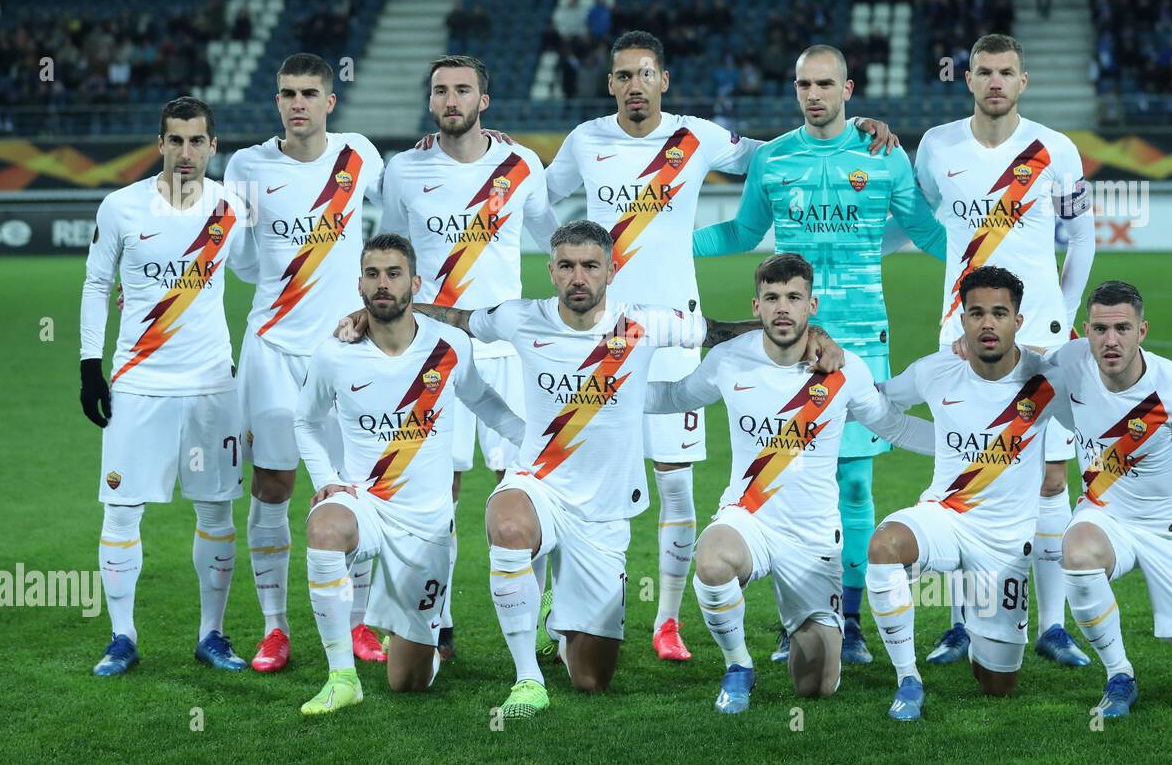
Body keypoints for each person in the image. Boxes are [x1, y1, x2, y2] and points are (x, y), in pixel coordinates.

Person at [349, 221, 843, 718]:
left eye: (590, 265)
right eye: (566, 266)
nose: (578, 277)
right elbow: (457, 318)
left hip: (604, 513)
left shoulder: (644, 322)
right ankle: (527, 678)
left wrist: (812, 334)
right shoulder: (521, 318)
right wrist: (371, 314)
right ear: (551, 271)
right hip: (538, 485)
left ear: (612, 269)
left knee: (591, 678)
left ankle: (559, 620)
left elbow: (715, 331)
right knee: (508, 523)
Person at [541, 30, 898, 661]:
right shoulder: (585, 140)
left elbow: (777, 153)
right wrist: (565, 249)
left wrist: (857, 130)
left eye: (644, 74)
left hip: (677, 335)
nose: (634, 85)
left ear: (664, 80)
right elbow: (534, 199)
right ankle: (564, 609)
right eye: (622, 75)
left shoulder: (698, 136)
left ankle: (667, 621)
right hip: (602, 335)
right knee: (577, 477)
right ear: (610, 84)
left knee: (677, 486)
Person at [693, 44, 946, 666]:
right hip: (788, 339)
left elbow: (928, 232)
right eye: (804, 84)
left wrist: (1004, 259)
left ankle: (848, 620)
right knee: (784, 479)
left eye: (825, 84)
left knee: (854, 485)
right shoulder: (774, 158)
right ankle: (797, 616)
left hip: (862, 340)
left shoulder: (883, 155)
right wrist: (665, 242)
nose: (813, 94)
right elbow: (742, 233)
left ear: (848, 90)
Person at [646, 253, 935, 712]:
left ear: (811, 306)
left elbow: (894, 426)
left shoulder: (846, 371)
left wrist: (967, 445)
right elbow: (676, 396)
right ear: (756, 306)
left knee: (815, 686)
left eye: (794, 297)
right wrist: (610, 388)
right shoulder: (728, 360)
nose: (783, 307)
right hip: (749, 518)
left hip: (814, 536)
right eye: (772, 297)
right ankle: (738, 667)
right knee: (713, 561)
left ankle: (810, 627)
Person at [913, 32, 1095, 667]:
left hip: (1041, 340)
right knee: (965, 475)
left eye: (1006, 72)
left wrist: (1060, 318)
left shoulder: (1057, 149)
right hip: (961, 339)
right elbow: (922, 217)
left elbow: (1082, 237)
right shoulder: (936, 146)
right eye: (984, 71)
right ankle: (962, 625)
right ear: (967, 79)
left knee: (1051, 476)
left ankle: (1053, 626)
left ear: (1023, 81)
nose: (995, 81)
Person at [294, 234, 524, 714]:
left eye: (394, 274)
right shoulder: (333, 354)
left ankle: (422, 643)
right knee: (325, 526)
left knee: (409, 683)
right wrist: (325, 480)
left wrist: (537, 442)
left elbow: (483, 401)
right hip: (365, 502)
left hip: (426, 525)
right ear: (359, 284)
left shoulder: (449, 345)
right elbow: (306, 422)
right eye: (373, 274)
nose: (383, 283)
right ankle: (341, 677)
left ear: (415, 284)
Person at [381, 54, 556, 660]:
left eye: (462, 90)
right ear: (430, 101)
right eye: (440, 91)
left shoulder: (521, 164)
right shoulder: (403, 169)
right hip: (434, 353)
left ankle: (536, 623)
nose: (450, 100)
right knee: (437, 489)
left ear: (484, 100)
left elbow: (555, 244)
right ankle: (439, 621)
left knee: (525, 486)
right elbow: (388, 253)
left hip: (508, 351)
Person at [223, 53, 387, 673]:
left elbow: (400, 214)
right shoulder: (246, 166)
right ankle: (275, 628)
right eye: (288, 93)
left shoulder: (358, 155)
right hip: (271, 349)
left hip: (345, 351)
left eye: (309, 93)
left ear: (329, 102)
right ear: (277, 101)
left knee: (356, 485)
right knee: (273, 484)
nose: (298, 103)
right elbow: (233, 251)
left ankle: (359, 622)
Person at [79, 96, 254, 676]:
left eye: (196, 140)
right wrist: (89, 364)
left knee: (217, 512)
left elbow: (257, 270)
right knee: (121, 510)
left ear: (212, 146)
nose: (185, 152)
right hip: (138, 384)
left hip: (212, 384)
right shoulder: (121, 206)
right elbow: (96, 284)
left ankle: (212, 634)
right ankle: (122, 637)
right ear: (160, 144)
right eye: (175, 140)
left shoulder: (232, 207)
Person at [866, 265, 1072, 721]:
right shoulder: (936, 371)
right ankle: (908, 680)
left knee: (997, 686)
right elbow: (880, 405)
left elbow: (1102, 420)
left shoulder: (1046, 381)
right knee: (884, 547)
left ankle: (980, 623)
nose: (987, 323)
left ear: (1019, 321)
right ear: (962, 320)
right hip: (946, 516)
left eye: (1000, 313)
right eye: (977, 313)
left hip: (1006, 542)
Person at [1056, 280, 1172, 717]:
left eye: (1122, 328)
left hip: (1171, 529)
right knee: (1078, 554)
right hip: (1105, 517)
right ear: (1086, 330)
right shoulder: (1069, 361)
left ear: (1142, 331)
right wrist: (965, 349)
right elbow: (1017, 363)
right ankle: (1119, 674)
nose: (1110, 340)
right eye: (1100, 329)